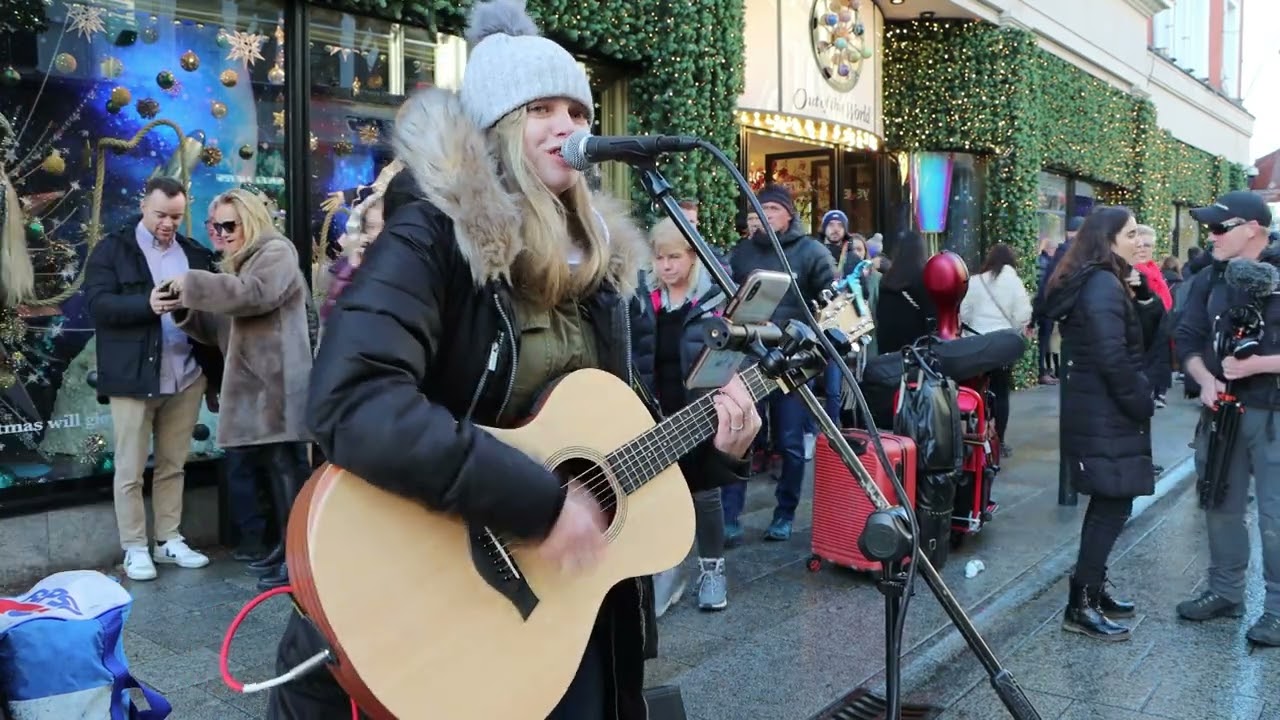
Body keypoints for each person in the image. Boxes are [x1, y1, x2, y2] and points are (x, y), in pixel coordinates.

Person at [265, 1, 760, 716]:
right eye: (540, 109)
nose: (567, 126)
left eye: (577, 110)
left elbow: (623, 446)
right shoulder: (433, 237)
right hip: (439, 602)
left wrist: (717, 446)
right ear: (498, 127)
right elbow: (351, 400)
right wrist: (538, 501)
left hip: (564, 618)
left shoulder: (602, 273)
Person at [82, 175, 222, 581]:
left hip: (187, 374)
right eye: (161, 214)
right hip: (132, 376)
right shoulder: (112, 249)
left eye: (176, 216)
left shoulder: (193, 253)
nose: (168, 223)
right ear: (144, 206)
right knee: (129, 468)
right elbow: (98, 305)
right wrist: (146, 304)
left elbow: (214, 312)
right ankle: (134, 548)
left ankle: (168, 539)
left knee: (173, 464)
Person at [1038, 205, 1161, 641]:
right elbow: (1114, 358)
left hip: (1100, 411)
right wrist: (1141, 400)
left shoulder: (1105, 280)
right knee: (1112, 504)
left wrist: (1141, 296)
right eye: (1130, 234)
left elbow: (1131, 339)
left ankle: (1090, 589)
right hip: (1107, 412)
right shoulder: (1103, 285)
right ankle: (1081, 603)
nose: (1138, 241)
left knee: (1111, 503)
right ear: (1107, 239)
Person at [1173, 191, 1280, 647]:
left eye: (1220, 228)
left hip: (1274, 414)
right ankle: (1225, 592)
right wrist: (1203, 377)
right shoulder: (1208, 278)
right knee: (1220, 503)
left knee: (1276, 514)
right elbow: (1187, 336)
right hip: (1223, 413)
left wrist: (1257, 365)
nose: (1211, 236)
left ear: (1252, 228)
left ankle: (1276, 610)